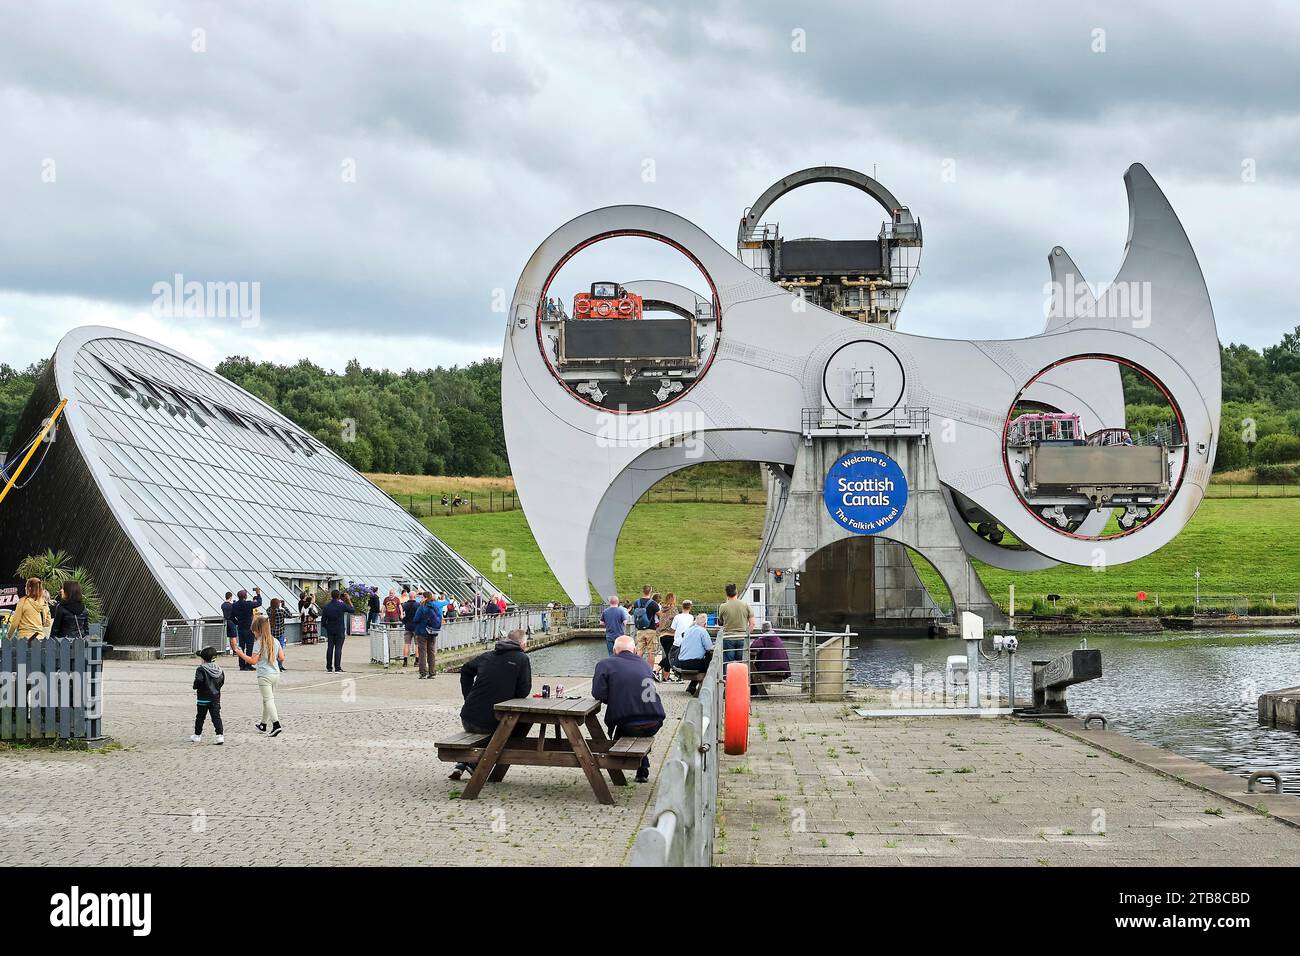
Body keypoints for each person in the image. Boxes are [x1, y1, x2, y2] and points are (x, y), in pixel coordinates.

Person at [448, 628, 531, 780]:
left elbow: (466, 670)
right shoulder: (521, 659)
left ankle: (463, 763)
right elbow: (524, 691)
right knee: (515, 729)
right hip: (491, 721)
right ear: (521, 644)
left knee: (500, 730)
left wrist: (469, 696)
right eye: (526, 644)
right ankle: (475, 765)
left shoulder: (488, 655)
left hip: (468, 716)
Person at [592, 634, 666, 782]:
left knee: (620, 735)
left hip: (629, 723)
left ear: (614, 650)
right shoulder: (644, 664)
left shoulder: (605, 664)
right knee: (636, 731)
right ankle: (642, 770)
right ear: (633, 650)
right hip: (655, 721)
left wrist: (615, 697)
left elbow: (598, 693)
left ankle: (617, 773)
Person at [233, 615, 285, 737]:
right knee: (267, 700)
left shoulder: (258, 643)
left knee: (268, 700)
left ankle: (276, 724)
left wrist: (241, 653)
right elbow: (282, 657)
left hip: (264, 675)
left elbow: (253, 661)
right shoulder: (275, 641)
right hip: (276, 673)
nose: (253, 633)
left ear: (258, 630)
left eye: (254, 631)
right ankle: (263, 724)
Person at [191, 646, 226, 744]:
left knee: (200, 717)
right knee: (216, 717)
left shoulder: (201, 669)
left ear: (203, 659)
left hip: (203, 697)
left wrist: (195, 686)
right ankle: (220, 736)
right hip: (215, 698)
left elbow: (199, 680)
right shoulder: (219, 670)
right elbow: (221, 682)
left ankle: (197, 735)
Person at [676, 613, 714, 696]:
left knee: (702, 662)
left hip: (681, 662)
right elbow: (709, 648)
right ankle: (702, 689)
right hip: (693, 663)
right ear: (705, 624)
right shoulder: (703, 631)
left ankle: (692, 686)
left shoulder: (688, 630)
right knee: (710, 663)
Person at [749, 623, 791, 697]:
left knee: (753, 672)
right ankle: (755, 692)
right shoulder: (776, 637)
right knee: (754, 669)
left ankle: (753, 693)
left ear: (762, 630)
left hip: (771, 668)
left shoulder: (764, 638)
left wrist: (755, 639)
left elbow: (753, 646)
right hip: (783, 668)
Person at [717, 583, 754, 665]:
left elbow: (720, 622)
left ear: (726, 594)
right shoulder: (745, 605)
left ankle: (727, 677)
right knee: (741, 663)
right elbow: (752, 624)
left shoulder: (723, 606)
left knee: (728, 664)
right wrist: (747, 634)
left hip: (728, 638)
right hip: (742, 637)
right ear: (736, 592)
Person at [229, 587, 263, 672]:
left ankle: (241, 665)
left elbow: (231, 617)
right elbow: (259, 603)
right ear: (245, 596)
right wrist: (258, 593)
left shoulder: (235, 605)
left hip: (240, 627)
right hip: (248, 628)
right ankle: (248, 664)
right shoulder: (248, 604)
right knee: (249, 647)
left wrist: (238, 623)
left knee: (241, 646)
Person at [411, 591, 443, 679]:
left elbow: (416, 619)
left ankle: (423, 673)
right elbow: (440, 617)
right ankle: (432, 672)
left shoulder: (422, 607)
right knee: (431, 652)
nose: (420, 598)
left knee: (422, 653)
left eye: (422, 597)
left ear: (425, 598)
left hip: (422, 632)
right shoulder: (435, 607)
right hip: (432, 632)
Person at [631, 585, 660, 674]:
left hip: (640, 630)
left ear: (642, 591)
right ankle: (649, 672)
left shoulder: (636, 602)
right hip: (651, 629)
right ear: (650, 591)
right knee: (651, 652)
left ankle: (636, 669)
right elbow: (660, 615)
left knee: (639, 650)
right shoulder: (653, 603)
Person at [319, 589, 350, 673]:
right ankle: (337, 667)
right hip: (339, 629)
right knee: (338, 648)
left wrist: (327, 627)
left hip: (330, 629)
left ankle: (329, 667)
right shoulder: (341, 605)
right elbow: (352, 610)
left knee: (330, 647)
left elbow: (323, 621)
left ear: (331, 596)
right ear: (339, 596)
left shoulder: (327, 606)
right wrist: (348, 600)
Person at [655, 592, 678, 681]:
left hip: (662, 636)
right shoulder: (674, 610)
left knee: (668, 655)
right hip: (670, 635)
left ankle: (666, 676)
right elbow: (676, 622)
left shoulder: (662, 610)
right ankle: (657, 671)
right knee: (670, 656)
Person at [670, 599, 695, 674]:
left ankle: (676, 672)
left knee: (673, 657)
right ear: (690, 607)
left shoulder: (677, 617)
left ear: (682, 607)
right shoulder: (691, 617)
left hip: (678, 641)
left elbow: (673, 629)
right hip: (688, 642)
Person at [267, 597, 290, 671]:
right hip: (280, 632)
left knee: (273, 650)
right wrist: (284, 606)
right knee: (280, 649)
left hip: (272, 633)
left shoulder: (269, 611)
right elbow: (289, 615)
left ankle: (273, 665)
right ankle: (279, 665)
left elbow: (269, 608)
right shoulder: (281, 611)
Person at [401, 589, 420, 668]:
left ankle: (405, 661)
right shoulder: (418, 605)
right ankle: (417, 661)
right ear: (415, 596)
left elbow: (402, 616)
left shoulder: (404, 605)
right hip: (416, 627)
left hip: (407, 626)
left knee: (406, 644)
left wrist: (405, 622)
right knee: (417, 644)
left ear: (409, 596)